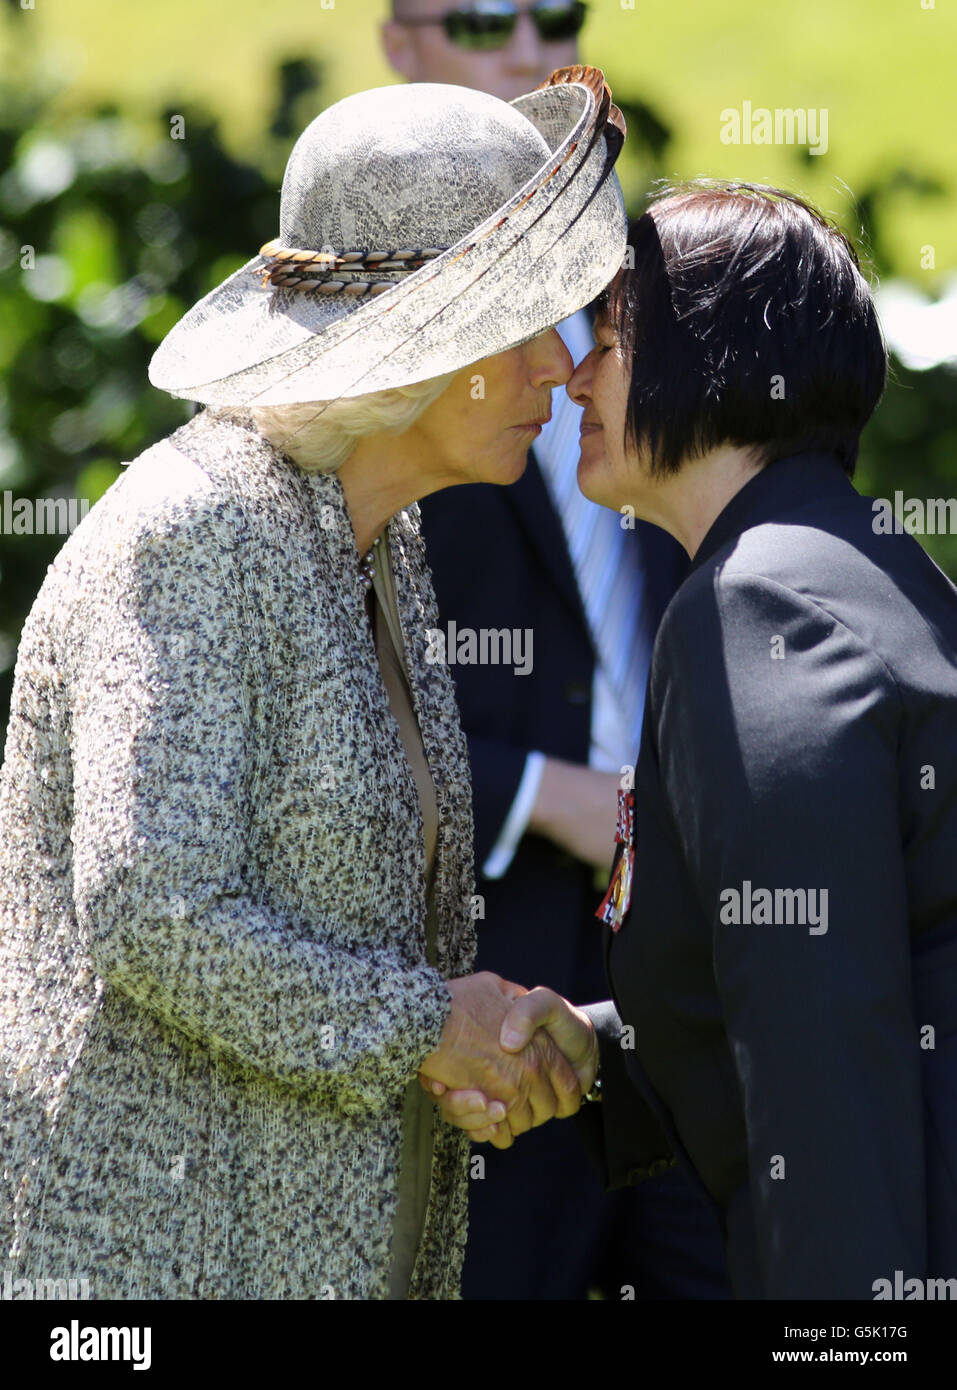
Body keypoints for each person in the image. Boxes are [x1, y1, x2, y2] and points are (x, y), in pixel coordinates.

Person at [0, 71, 625, 1301]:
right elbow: (155, 912)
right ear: (430, 349)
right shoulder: (194, 535)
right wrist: (430, 1027)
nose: (563, 368)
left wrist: (468, 1037)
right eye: (529, 326)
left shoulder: (375, 538)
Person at [431, 181, 957, 1299]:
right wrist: (605, 1046)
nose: (574, 375)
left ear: (715, 363)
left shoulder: (763, 606)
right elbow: (828, 970)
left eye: (611, 339)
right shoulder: (838, 559)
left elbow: (831, 1072)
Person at [382, 0, 728, 1301]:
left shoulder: (657, 286)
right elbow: (327, 685)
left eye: (557, 14)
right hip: (480, 958)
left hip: (684, 941)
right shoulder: (361, 326)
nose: (525, 41)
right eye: (480, 14)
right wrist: (541, 791)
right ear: (399, 43)